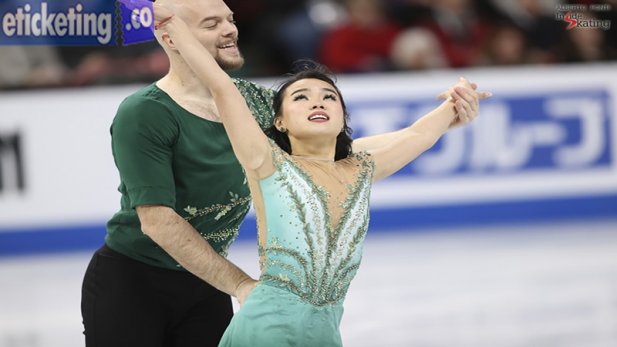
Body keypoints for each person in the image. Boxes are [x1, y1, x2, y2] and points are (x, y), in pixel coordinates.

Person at [81, 0, 488, 346]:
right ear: (171, 38)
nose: (230, 30)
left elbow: (335, 159)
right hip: (133, 283)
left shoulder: (258, 104)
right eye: (211, 24)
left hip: (205, 281)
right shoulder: (146, 113)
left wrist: (438, 122)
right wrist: (240, 284)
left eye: (230, 19)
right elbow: (157, 220)